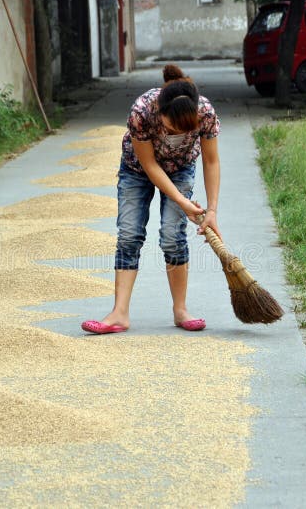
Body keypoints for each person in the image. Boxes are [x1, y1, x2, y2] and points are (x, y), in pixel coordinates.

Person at [81, 64, 222, 334]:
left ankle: (180, 310)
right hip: (138, 170)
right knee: (129, 234)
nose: (179, 135)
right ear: (160, 111)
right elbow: (150, 166)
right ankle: (119, 313)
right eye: (173, 129)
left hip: (181, 169)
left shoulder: (205, 111)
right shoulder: (142, 111)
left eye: (185, 130)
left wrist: (212, 210)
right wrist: (182, 202)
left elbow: (212, 160)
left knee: (173, 235)